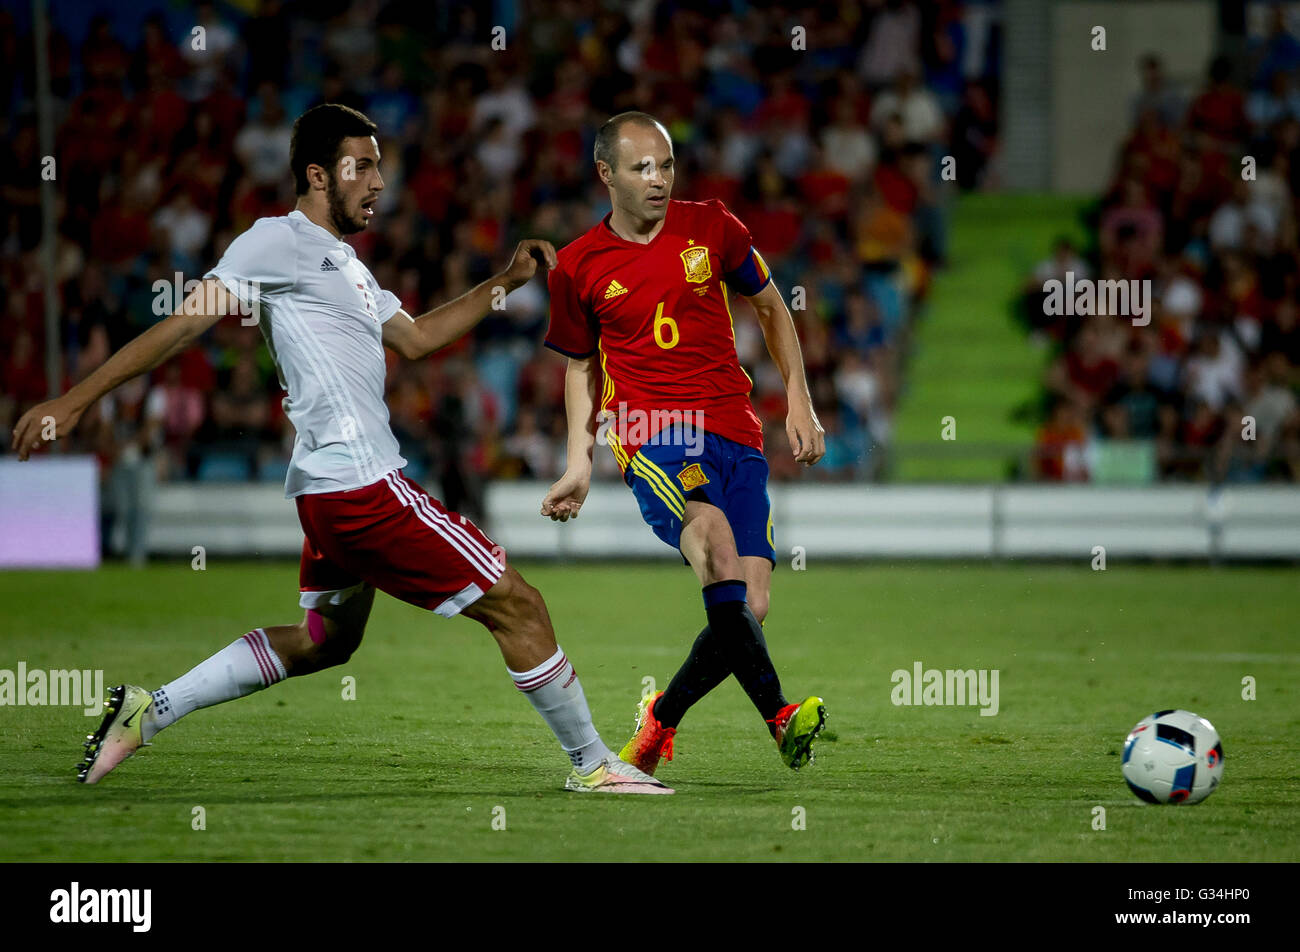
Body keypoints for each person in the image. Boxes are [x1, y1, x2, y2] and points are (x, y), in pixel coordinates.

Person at [12, 103, 669, 795]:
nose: (379, 181)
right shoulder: (276, 241)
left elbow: (416, 338)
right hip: (362, 487)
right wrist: (74, 401)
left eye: (380, 166)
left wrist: (502, 282)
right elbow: (180, 326)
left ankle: (149, 711)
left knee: (324, 641)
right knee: (518, 604)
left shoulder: (345, 264)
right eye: (363, 167)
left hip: (332, 493)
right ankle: (594, 765)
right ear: (318, 175)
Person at [540, 111, 827, 774]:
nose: (658, 179)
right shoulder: (577, 266)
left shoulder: (714, 227)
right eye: (641, 167)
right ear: (606, 174)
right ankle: (780, 716)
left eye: (666, 165)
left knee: (751, 605)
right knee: (716, 544)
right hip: (651, 431)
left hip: (734, 426)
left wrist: (800, 400)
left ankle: (660, 719)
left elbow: (771, 306)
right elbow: (580, 369)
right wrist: (579, 462)